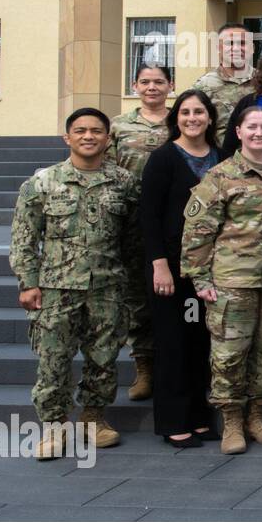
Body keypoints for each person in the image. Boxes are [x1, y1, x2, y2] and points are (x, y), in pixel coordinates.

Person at [11, 108, 140, 458]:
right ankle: (53, 428)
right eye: (80, 130)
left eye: (96, 131)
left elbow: (132, 240)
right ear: (67, 137)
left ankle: (94, 418)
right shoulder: (43, 183)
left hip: (108, 287)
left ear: (107, 138)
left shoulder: (124, 183)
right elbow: (24, 237)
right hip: (56, 288)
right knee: (53, 361)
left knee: (104, 358)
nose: (88, 136)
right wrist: (28, 282)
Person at [181, 106, 262, 455]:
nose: (259, 133)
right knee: (230, 356)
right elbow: (197, 232)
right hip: (232, 282)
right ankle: (232, 420)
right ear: (240, 132)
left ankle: (257, 416)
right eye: (252, 127)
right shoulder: (220, 176)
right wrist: (200, 279)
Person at [142, 90, 222, 447]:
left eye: (199, 111)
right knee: (173, 342)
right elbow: (149, 216)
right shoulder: (162, 159)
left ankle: (198, 416)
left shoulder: (221, 157)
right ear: (176, 117)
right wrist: (159, 264)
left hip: (209, 268)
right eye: (186, 112)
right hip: (171, 269)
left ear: (209, 117)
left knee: (198, 340)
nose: (193, 118)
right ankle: (174, 421)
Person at [108, 64, 172, 402]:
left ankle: (175, 365)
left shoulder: (180, 120)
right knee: (137, 297)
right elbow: (105, 169)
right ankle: (144, 366)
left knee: (176, 295)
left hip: (173, 220)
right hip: (132, 220)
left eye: (159, 82)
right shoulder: (118, 126)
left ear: (170, 85)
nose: (152, 87)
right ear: (134, 85)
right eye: (145, 82)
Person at [193, 22, 256, 144]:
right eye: (229, 43)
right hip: (219, 159)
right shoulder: (204, 86)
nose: (236, 48)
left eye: (242, 43)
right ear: (218, 48)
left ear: (252, 48)